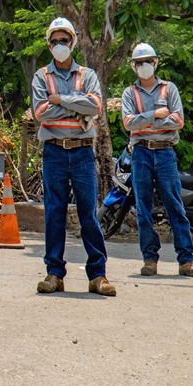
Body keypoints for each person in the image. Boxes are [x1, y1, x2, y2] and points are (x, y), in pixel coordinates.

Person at [32, 18, 114, 296]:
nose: (59, 46)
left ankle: (98, 275)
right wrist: (77, 107)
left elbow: (96, 105)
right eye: (54, 41)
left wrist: (60, 100)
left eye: (63, 40)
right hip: (53, 150)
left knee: (88, 212)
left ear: (73, 42)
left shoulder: (87, 75)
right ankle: (54, 274)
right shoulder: (42, 76)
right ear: (49, 44)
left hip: (81, 152)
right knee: (54, 212)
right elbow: (41, 113)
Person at [121, 43, 193, 278]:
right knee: (143, 208)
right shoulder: (130, 93)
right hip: (141, 154)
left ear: (155, 63)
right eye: (139, 62)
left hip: (166, 152)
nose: (144, 66)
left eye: (148, 61)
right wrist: (156, 115)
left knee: (175, 205)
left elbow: (178, 120)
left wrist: (144, 122)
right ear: (134, 66)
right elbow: (128, 123)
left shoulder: (169, 89)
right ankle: (149, 259)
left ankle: (186, 260)